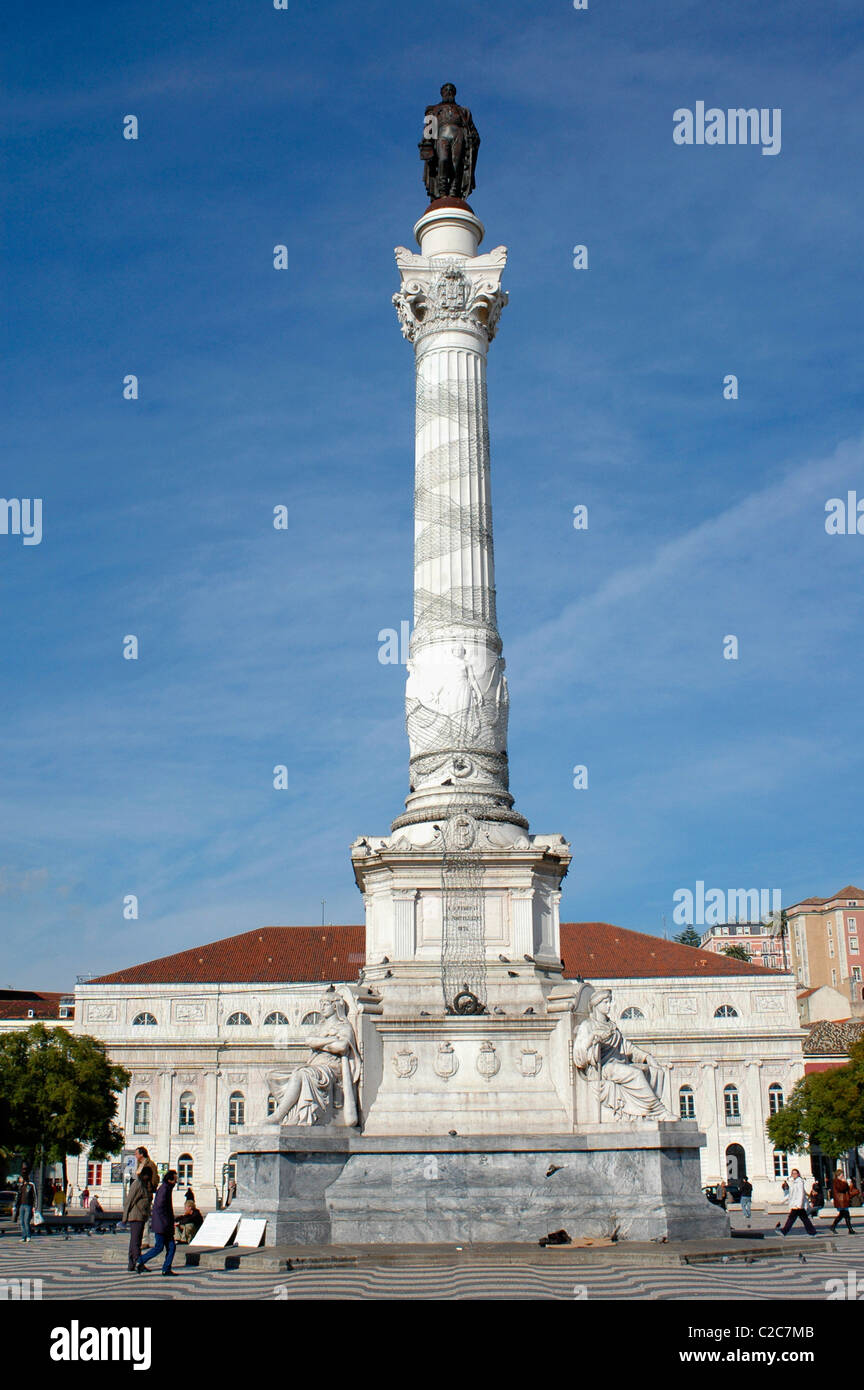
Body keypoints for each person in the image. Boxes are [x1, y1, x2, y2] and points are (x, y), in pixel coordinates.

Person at [136, 1169, 178, 1276]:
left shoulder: (166, 1188)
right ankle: (140, 1260)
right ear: (170, 1180)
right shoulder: (164, 1189)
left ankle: (166, 1268)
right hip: (163, 1226)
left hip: (164, 1225)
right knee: (159, 1247)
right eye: (175, 1179)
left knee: (171, 1246)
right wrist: (166, 1222)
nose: (176, 1182)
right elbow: (160, 1208)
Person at [123, 1166, 153, 1272]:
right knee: (136, 1241)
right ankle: (138, 1262)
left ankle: (131, 1264)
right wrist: (125, 1217)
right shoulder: (137, 1184)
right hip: (136, 1216)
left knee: (134, 1241)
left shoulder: (142, 1184)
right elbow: (129, 1200)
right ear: (146, 1175)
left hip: (140, 1216)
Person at [776, 1169, 818, 1236]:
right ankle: (812, 1232)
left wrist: (799, 1204)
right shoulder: (794, 1182)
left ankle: (784, 1231)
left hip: (797, 1204)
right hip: (796, 1204)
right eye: (793, 1173)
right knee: (804, 1218)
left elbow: (801, 1193)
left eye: (795, 1173)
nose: (794, 1175)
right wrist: (783, 1200)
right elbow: (791, 1194)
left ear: (798, 1174)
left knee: (792, 1218)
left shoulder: (799, 1182)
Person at [13, 1173, 37, 1243]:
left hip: (28, 1205)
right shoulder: (21, 1186)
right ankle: (23, 1236)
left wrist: (34, 1206)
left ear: (24, 1178)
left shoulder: (31, 1185)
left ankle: (28, 1236)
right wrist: (16, 1205)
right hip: (21, 1205)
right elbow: (18, 1196)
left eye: (20, 1178)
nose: (19, 1179)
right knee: (22, 1222)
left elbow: (35, 1196)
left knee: (26, 1221)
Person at [830, 1169, 854, 1233]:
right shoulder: (836, 1181)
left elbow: (846, 1189)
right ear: (838, 1175)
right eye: (841, 1175)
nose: (843, 1176)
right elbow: (841, 1188)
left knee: (843, 1215)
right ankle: (850, 1229)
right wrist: (845, 1183)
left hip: (843, 1200)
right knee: (845, 1215)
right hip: (840, 1201)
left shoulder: (839, 1181)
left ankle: (833, 1226)